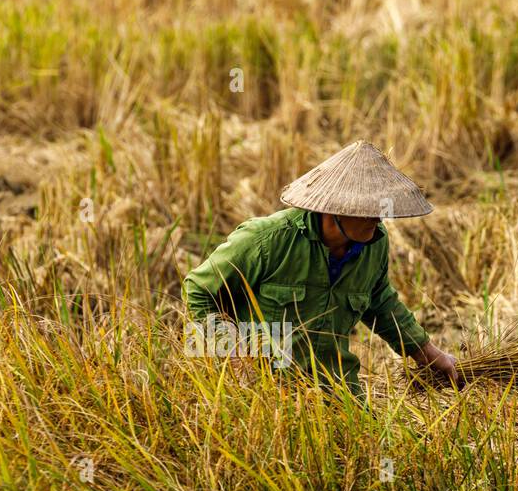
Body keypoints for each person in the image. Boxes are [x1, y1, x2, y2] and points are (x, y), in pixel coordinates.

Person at [182, 140, 460, 396]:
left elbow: (380, 301)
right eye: (367, 210)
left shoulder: (374, 242)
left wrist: (427, 352)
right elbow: (198, 289)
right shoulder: (267, 239)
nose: (377, 218)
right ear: (334, 209)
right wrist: (233, 354)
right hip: (263, 394)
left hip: (336, 391)